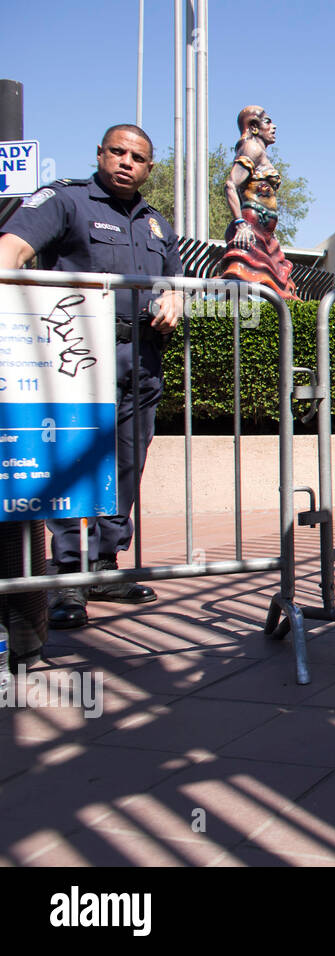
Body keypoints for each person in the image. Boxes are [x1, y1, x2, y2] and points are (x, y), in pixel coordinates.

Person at [0, 124, 183, 627]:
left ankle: (103, 565)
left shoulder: (156, 223)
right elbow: (11, 250)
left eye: (137, 157)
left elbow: (173, 280)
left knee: (127, 462)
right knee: (76, 461)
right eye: (118, 152)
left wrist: (174, 297)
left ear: (149, 168)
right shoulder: (66, 201)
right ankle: (68, 577)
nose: (126, 162)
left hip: (140, 356)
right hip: (77, 355)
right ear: (100, 154)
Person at [217, 106, 298, 299]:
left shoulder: (260, 152)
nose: (274, 126)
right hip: (251, 228)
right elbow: (230, 184)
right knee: (249, 282)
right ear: (253, 127)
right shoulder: (251, 148)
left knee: (276, 287)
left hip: (265, 233)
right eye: (267, 121)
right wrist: (240, 224)